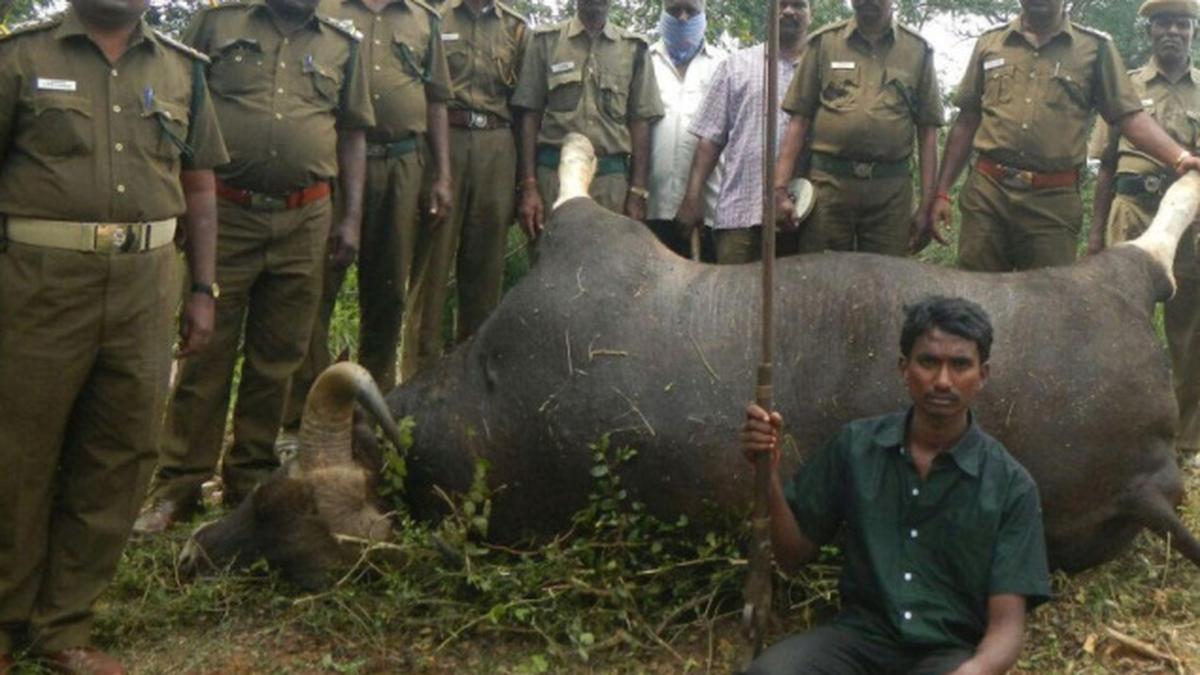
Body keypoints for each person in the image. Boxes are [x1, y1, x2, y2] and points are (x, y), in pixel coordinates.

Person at [0, 0, 228, 666]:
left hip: (147, 283)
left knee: (120, 452)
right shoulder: (21, 57)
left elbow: (200, 183)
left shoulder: (184, 71)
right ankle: (6, 617)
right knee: (18, 453)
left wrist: (203, 288)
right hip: (38, 282)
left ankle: (65, 625)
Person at [134, 0, 374, 534]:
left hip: (307, 214)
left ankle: (250, 479)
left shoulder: (343, 44)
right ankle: (179, 485)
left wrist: (351, 217)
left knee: (280, 355)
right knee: (206, 351)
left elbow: (352, 133)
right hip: (226, 212)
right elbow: (182, 107)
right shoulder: (219, 24)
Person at [741, 296, 1051, 675]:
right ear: (904, 369)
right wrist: (768, 475)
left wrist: (974, 671)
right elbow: (791, 555)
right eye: (928, 362)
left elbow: (1006, 625)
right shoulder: (856, 447)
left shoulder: (1010, 486)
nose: (942, 381)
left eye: (960, 365)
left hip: (948, 653)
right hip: (857, 641)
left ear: (982, 375)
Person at [930, 0, 1200, 272]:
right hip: (987, 196)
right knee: (976, 296)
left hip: (1052, 203)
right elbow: (967, 121)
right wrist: (942, 192)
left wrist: (1179, 158)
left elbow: (1128, 116)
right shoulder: (990, 43)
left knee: (1048, 302)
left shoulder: (1095, 48)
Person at [1089, 0, 1200, 455]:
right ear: (1149, 32)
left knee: (1190, 335)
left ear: (1193, 32)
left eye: (1181, 24)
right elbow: (1106, 168)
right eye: (1162, 24)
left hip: (1189, 222)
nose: (1172, 31)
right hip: (1130, 212)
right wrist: (1095, 234)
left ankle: (1186, 446)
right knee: (1121, 326)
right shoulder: (1126, 88)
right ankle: (1121, 438)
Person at [399, 0, 528, 380]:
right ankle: (417, 381)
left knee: (485, 274)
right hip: (445, 144)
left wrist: (523, 181)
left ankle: (469, 384)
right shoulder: (435, 18)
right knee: (432, 268)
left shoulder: (518, 30)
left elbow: (524, 111)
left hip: (497, 146)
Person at [774, 0, 944, 256]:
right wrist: (779, 189)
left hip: (891, 195)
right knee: (822, 277)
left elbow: (928, 133)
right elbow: (798, 122)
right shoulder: (824, 43)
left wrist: (927, 205)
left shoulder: (918, 50)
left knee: (888, 283)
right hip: (828, 189)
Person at [512, 0, 664, 239]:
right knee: (552, 266)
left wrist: (637, 191)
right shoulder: (545, 42)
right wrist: (529, 186)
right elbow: (529, 116)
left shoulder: (634, 49)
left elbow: (640, 122)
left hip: (610, 185)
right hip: (554, 180)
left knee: (608, 268)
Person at [677, 0, 809, 264]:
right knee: (731, 301)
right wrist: (692, 198)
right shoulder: (735, 66)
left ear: (810, 13)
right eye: (781, 4)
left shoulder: (821, 71)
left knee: (798, 302)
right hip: (740, 214)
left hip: (802, 218)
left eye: (799, 5)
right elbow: (710, 141)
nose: (789, 11)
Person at [645, 0, 725, 260]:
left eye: (691, 11)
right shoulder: (644, 61)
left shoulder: (723, 65)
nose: (682, 18)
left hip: (707, 211)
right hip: (651, 207)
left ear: (704, 15)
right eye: (674, 10)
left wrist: (696, 201)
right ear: (661, 12)